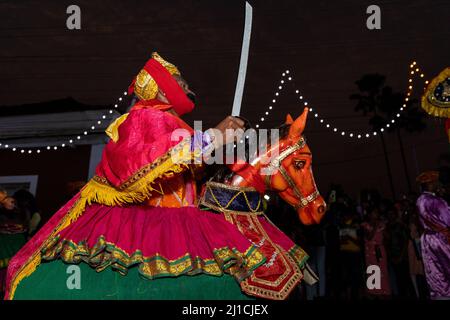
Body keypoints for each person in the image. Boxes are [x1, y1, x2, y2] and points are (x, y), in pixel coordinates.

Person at [4, 52, 268, 300]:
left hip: (183, 219)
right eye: (181, 83)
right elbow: (145, 162)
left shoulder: (174, 123)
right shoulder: (146, 116)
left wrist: (215, 145)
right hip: (149, 223)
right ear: (161, 89)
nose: (190, 89)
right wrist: (212, 136)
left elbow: (185, 170)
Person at [416, 171, 450, 300]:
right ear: (430, 184)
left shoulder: (420, 200)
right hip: (441, 238)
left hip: (428, 239)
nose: (438, 184)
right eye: (436, 182)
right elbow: (448, 220)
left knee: (435, 269)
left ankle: (440, 294)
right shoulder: (437, 201)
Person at [361, 208, 391, 298]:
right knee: (373, 270)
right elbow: (369, 237)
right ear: (369, 215)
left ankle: (383, 291)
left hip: (380, 250)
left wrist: (384, 229)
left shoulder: (382, 224)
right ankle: (374, 292)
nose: (376, 215)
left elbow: (388, 237)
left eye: (377, 213)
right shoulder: (364, 225)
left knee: (382, 270)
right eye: (374, 213)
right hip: (370, 251)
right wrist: (375, 227)